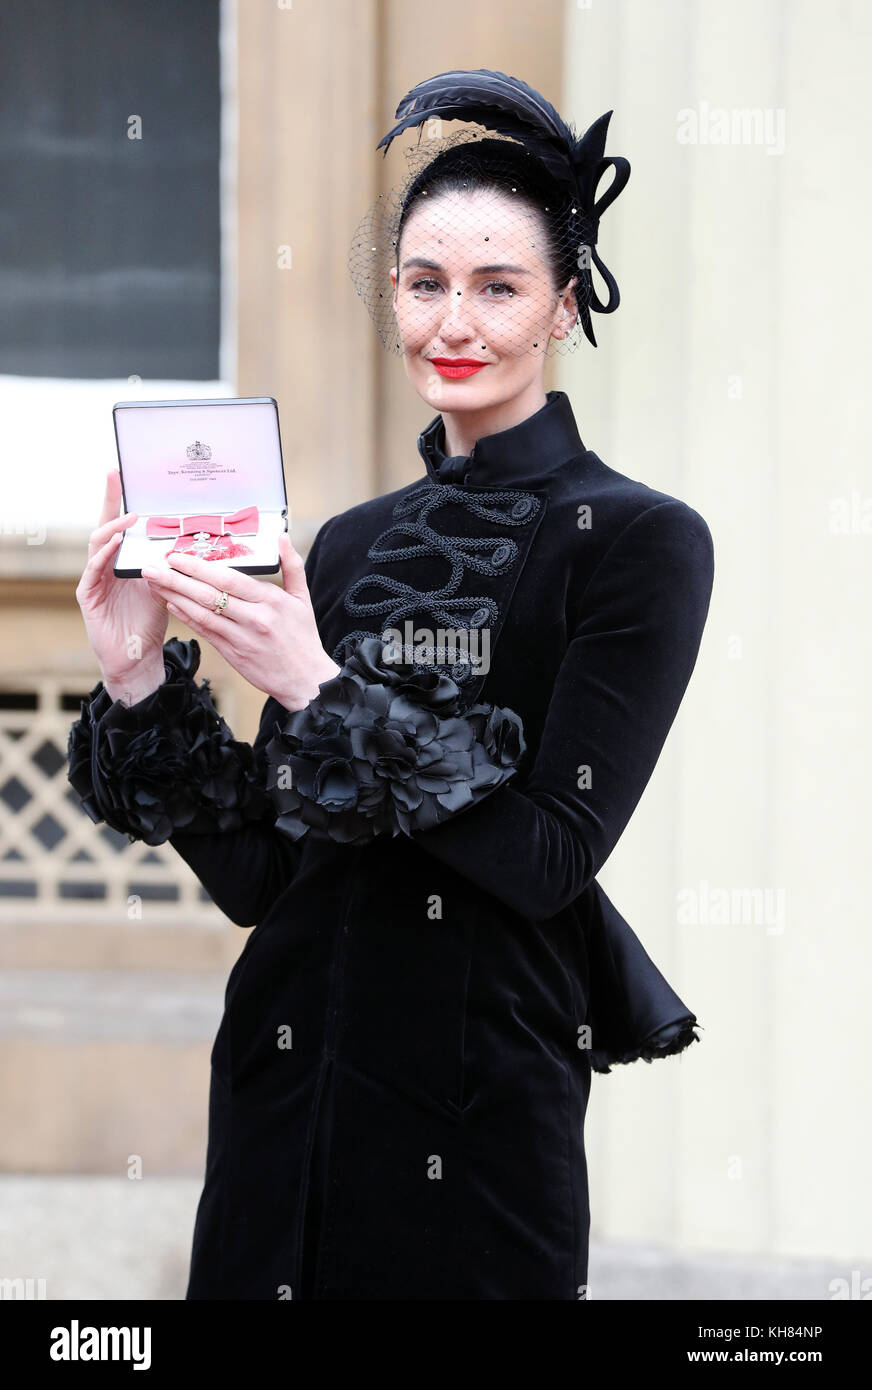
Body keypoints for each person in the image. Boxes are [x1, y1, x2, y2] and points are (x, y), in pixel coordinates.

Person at [67, 70, 715, 1300]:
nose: (452, 322)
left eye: (496, 286)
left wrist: (316, 684)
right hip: (279, 1094)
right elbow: (265, 874)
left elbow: (548, 854)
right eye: (424, 285)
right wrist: (139, 672)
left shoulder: (639, 539)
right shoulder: (350, 542)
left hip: (474, 1114)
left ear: (564, 308)